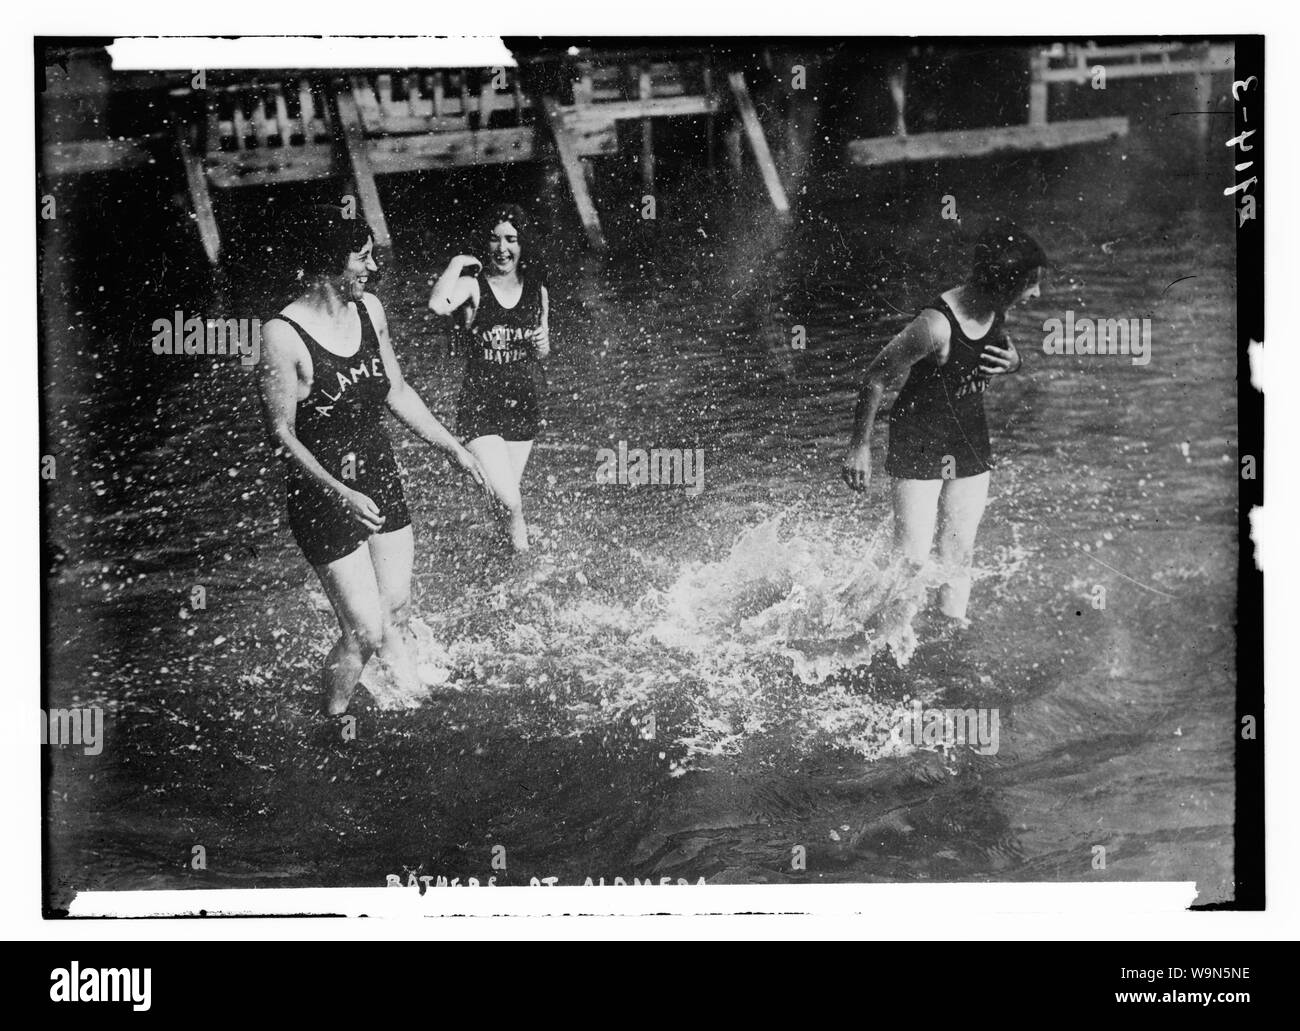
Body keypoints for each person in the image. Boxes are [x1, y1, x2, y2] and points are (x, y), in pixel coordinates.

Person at [259, 206, 487, 715]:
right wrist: (342, 493)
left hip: (378, 475)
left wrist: (452, 448)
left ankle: (412, 704)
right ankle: (332, 719)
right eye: (362, 258)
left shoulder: (371, 311)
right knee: (362, 630)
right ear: (329, 263)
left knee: (396, 609)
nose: (372, 269)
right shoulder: (282, 335)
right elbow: (280, 436)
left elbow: (397, 390)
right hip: (322, 495)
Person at [841, 222, 1047, 624]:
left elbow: (997, 348)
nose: (1037, 294)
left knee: (958, 556)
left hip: (969, 437)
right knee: (912, 561)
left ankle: (953, 647)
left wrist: (1016, 363)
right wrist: (859, 446)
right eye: (1030, 284)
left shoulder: (995, 308)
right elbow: (876, 376)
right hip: (919, 437)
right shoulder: (936, 326)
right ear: (1002, 284)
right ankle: (883, 646)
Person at [429, 204, 549, 552]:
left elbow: (542, 350)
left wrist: (541, 344)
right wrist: (456, 263)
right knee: (511, 503)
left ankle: (499, 568)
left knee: (503, 505)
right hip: (480, 408)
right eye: (495, 240)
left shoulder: (537, 290)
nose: (502, 249)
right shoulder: (472, 286)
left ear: (523, 244)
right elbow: (438, 305)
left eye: (511, 239)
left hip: (523, 407)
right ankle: (525, 570)